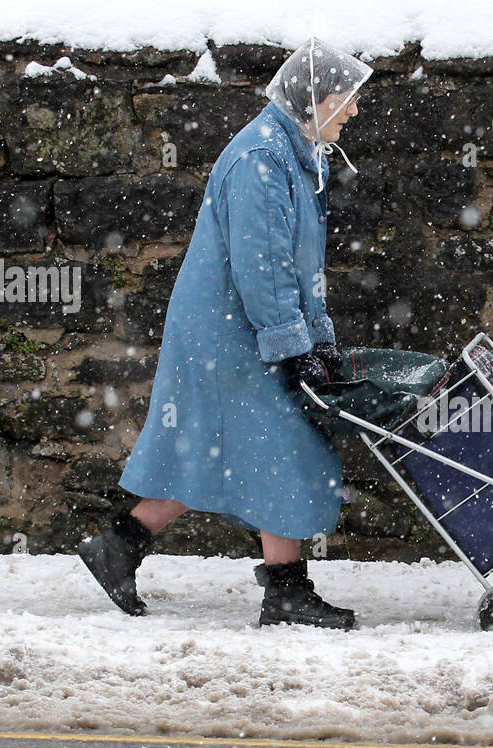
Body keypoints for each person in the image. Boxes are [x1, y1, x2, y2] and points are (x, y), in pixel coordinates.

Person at [77, 37, 374, 631]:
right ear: (314, 102)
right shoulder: (261, 159)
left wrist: (316, 339)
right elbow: (262, 267)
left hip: (240, 328)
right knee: (289, 444)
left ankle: (121, 544)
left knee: (217, 452)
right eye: (348, 99)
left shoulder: (292, 153)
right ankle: (286, 593)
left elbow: (297, 268)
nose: (356, 111)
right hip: (232, 332)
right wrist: (294, 347)